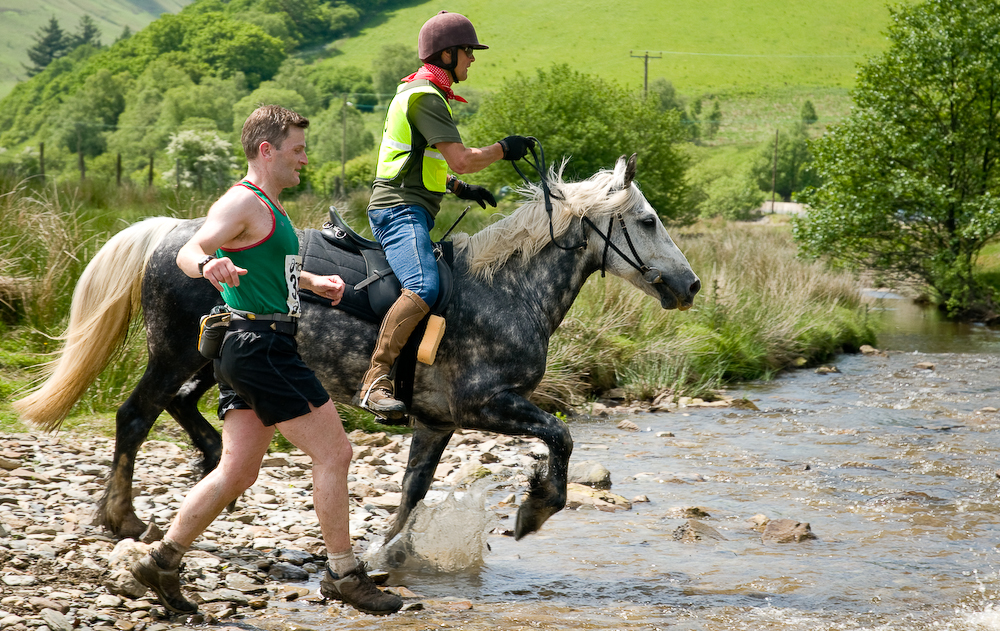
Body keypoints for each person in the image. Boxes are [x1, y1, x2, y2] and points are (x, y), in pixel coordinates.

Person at [130, 105, 403, 616]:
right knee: (335, 453)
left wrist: (312, 282)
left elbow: (271, 267)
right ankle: (345, 573)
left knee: (237, 471)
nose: (304, 158)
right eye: (296, 150)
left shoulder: (269, 207)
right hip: (262, 347)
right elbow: (190, 250)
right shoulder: (241, 201)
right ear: (266, 150)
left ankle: (161, 561)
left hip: (246, 347)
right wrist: (209, 264)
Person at [356, 10, 535, 419]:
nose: (473, 59)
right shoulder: (424, 96)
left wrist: (458, 188)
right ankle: (375, 379)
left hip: (411, 204)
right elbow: (463, 158)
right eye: (468, 52)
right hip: (398, 210)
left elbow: (425, 161)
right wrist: (503, 149)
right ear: (448, 53)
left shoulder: (425, 93)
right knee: (423, 285)